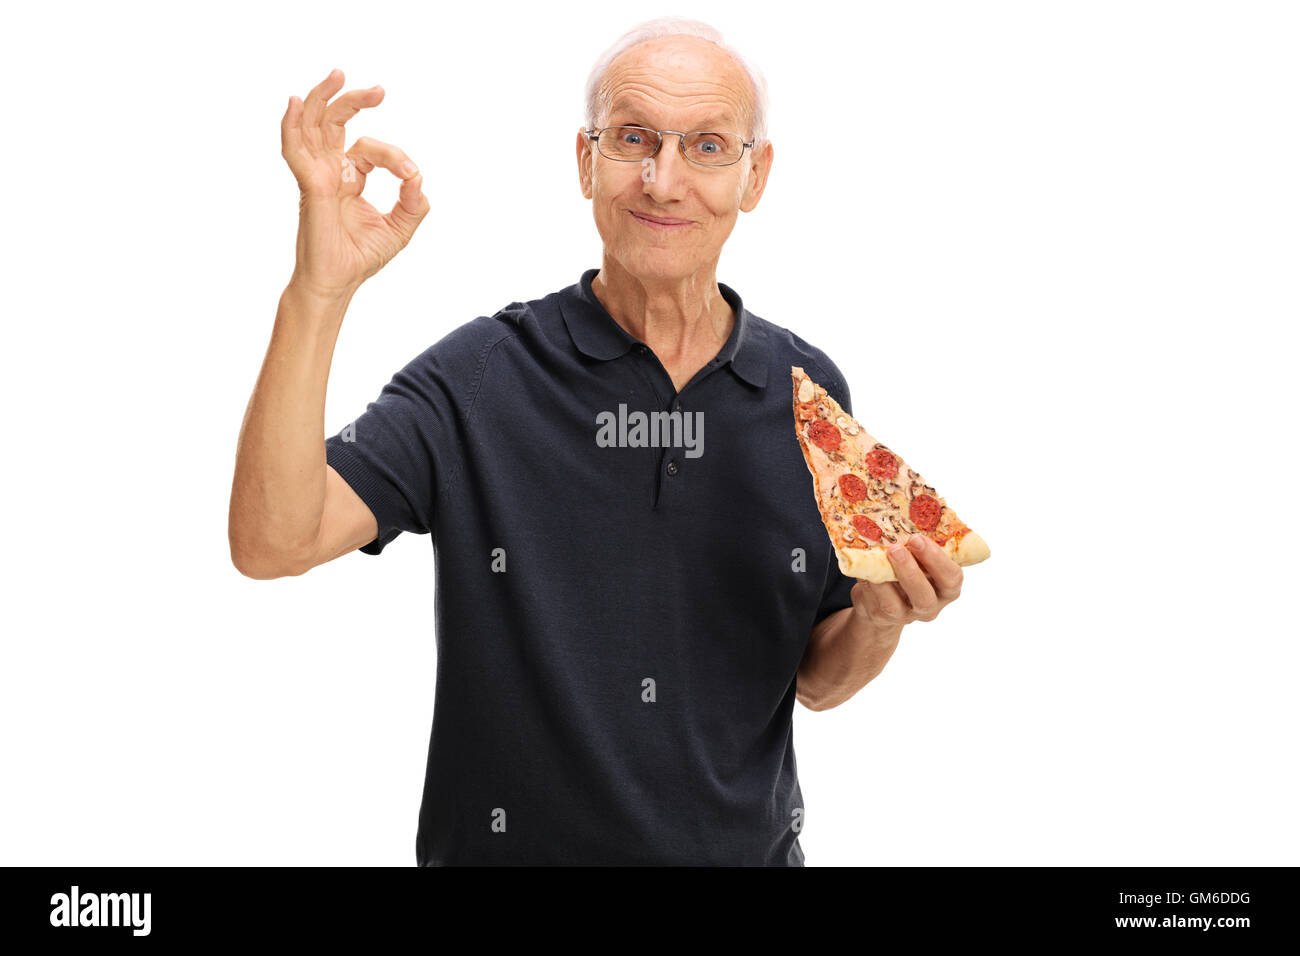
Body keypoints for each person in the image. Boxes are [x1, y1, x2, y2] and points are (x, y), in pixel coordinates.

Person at [229, 17, 966, 866]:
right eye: (632, 139)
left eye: (708, 146)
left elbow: (814, 681)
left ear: (755, 175)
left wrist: (878, 619)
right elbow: (272, 541)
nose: (663, 180)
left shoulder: (808, 395)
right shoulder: (480, 376)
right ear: (584, 160)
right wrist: (318, 293)